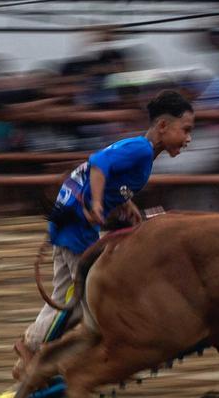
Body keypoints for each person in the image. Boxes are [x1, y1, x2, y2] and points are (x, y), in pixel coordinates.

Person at [13, 90, 194, 376]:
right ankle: (43, 357)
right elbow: (98, 163)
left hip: (69, 218)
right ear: (163, 126)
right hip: (77, 224)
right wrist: (97, 202)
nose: (188, 139)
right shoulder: (142, 150)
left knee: (66, 294)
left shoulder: (141, 152)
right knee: (89, 303)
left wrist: (126, 203)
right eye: (185, 130)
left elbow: (111, 176)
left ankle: (31, 345)